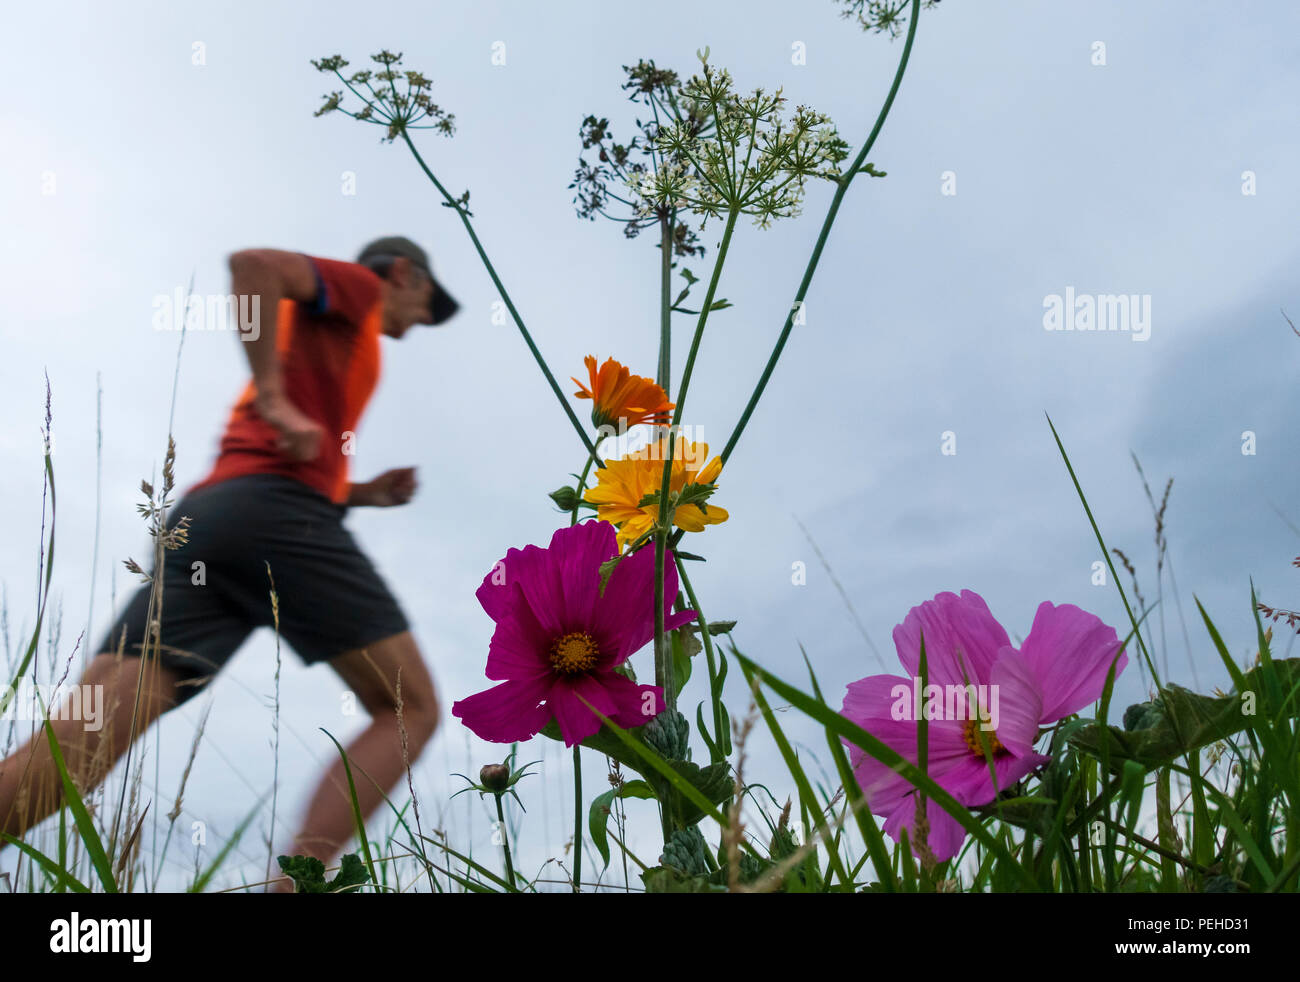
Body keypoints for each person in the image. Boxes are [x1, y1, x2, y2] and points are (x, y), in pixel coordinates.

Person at [0, 236, 458, 892]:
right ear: (403, 273)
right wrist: (273, 397)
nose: (418, 322)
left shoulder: (343, 342)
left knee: (82, 742)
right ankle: (293, 885)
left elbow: (290, 455)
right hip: (275, 513)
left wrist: (364, 493)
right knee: (410, 709)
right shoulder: (359, 290)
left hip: (211, 519)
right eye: (425, 303)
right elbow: (253, 266)